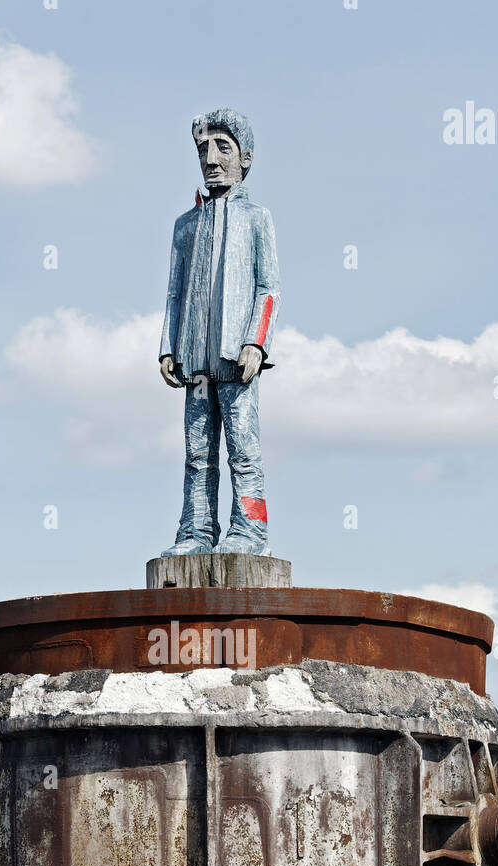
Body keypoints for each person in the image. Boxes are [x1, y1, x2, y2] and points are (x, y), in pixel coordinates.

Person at [159, 109, 280, 556]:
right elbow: (174, 292)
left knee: (242, 447)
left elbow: (268, 287)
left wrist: (256, 342)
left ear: (245, 157)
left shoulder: (256, 218)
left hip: (235, 358)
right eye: (203, 149)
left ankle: (250, 531)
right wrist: (168, 348)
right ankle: (195, 532)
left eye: (222, 147)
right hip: (195, 360)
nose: (210, 159)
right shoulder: (185, 226)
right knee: (196, 453)